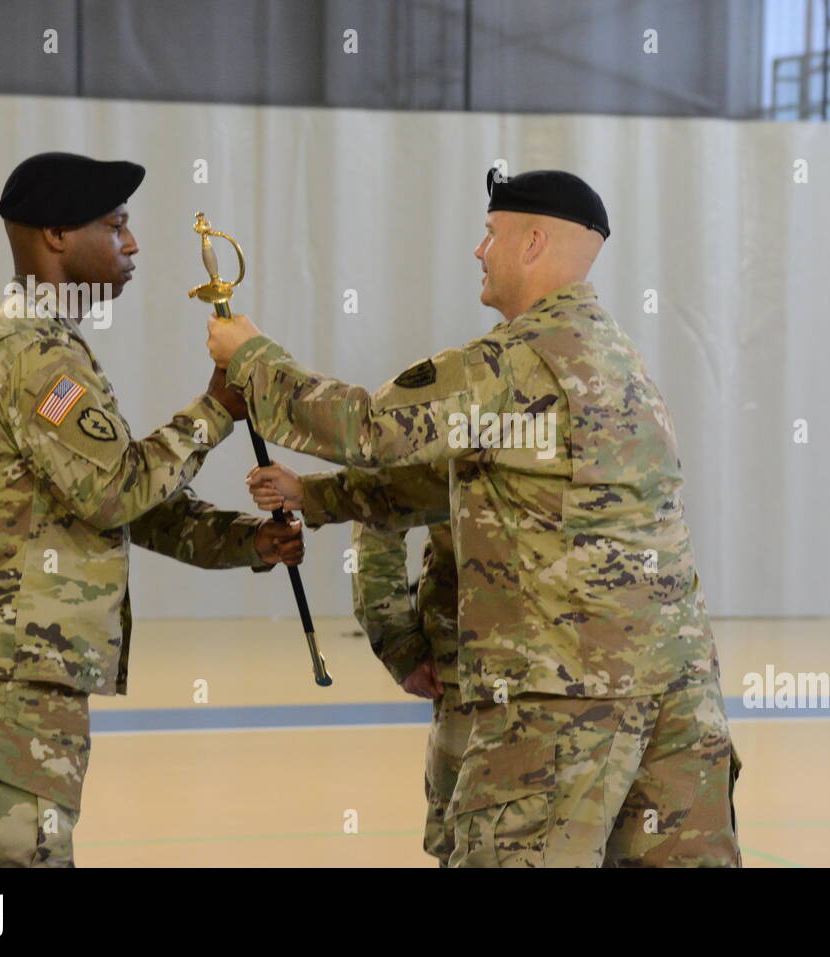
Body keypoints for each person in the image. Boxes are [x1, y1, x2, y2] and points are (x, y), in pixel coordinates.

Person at [210, 169, 740, 867]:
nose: (477, 250)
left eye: (491, 233)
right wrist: (313, 496)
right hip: (677, 694)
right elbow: (446, 481)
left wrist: (250, 358)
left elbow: (371, 427)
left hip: (560, 698)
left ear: (534, 243)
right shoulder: (621, 362)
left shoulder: (513, 363)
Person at [0, 151, 303, 867]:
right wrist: (216, 409)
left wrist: (247, 541)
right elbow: (116, 489)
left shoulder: (50, 347)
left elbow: (116, 503)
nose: (134, 244)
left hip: (17, 673)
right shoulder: (32, 356)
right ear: (57, 234)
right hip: (2, 677)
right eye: (116, 225)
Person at [251, 461, 465, 864]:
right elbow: (383, 513)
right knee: (471, 839)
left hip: (610, 674)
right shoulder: (453, 405)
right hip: (475, 670)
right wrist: (399, 642)